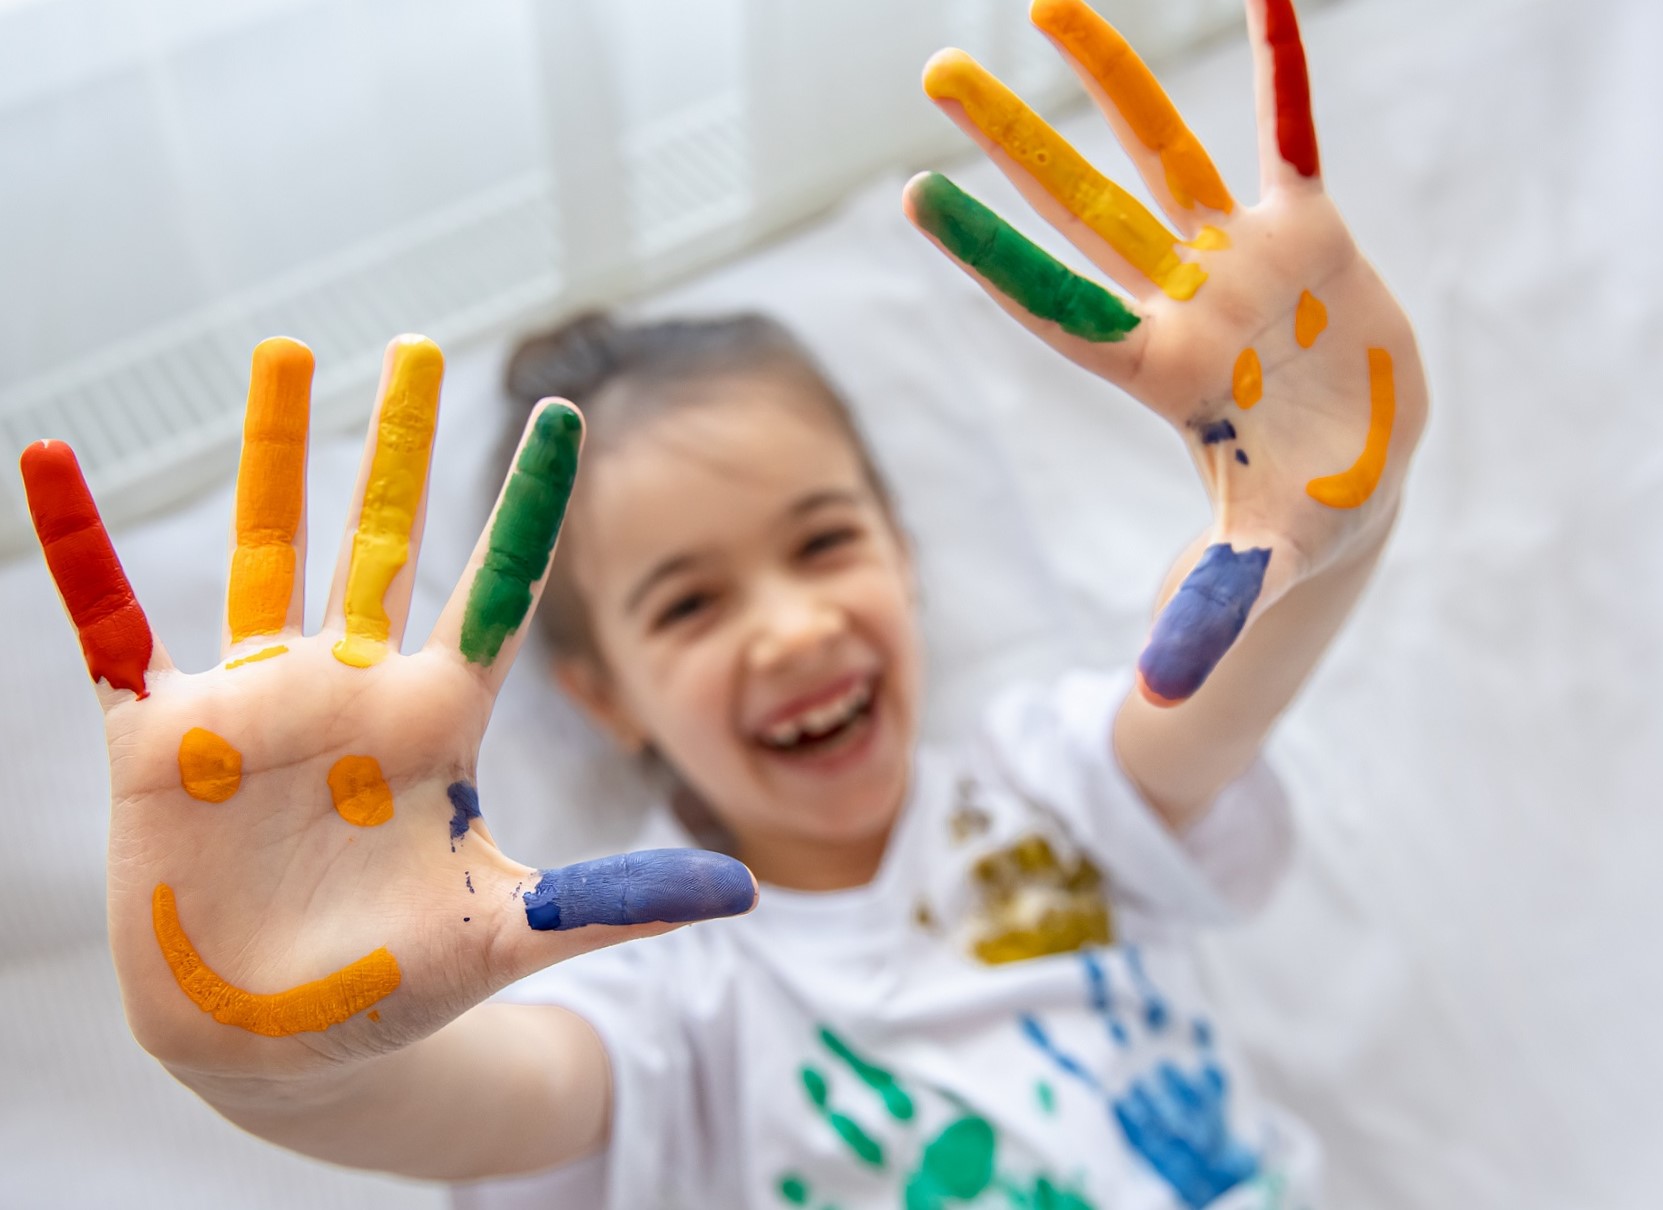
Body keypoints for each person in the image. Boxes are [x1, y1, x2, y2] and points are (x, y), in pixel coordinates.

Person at [15, 2, 1425, 1206]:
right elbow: (456, 1099)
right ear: (603, 690)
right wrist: (268, 1057)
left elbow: (1232, 681)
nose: (793, 626)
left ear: (905, 554)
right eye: (689, 605)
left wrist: (1342, 522)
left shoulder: (1051, 786)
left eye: (824, 543)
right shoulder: (652, 991)